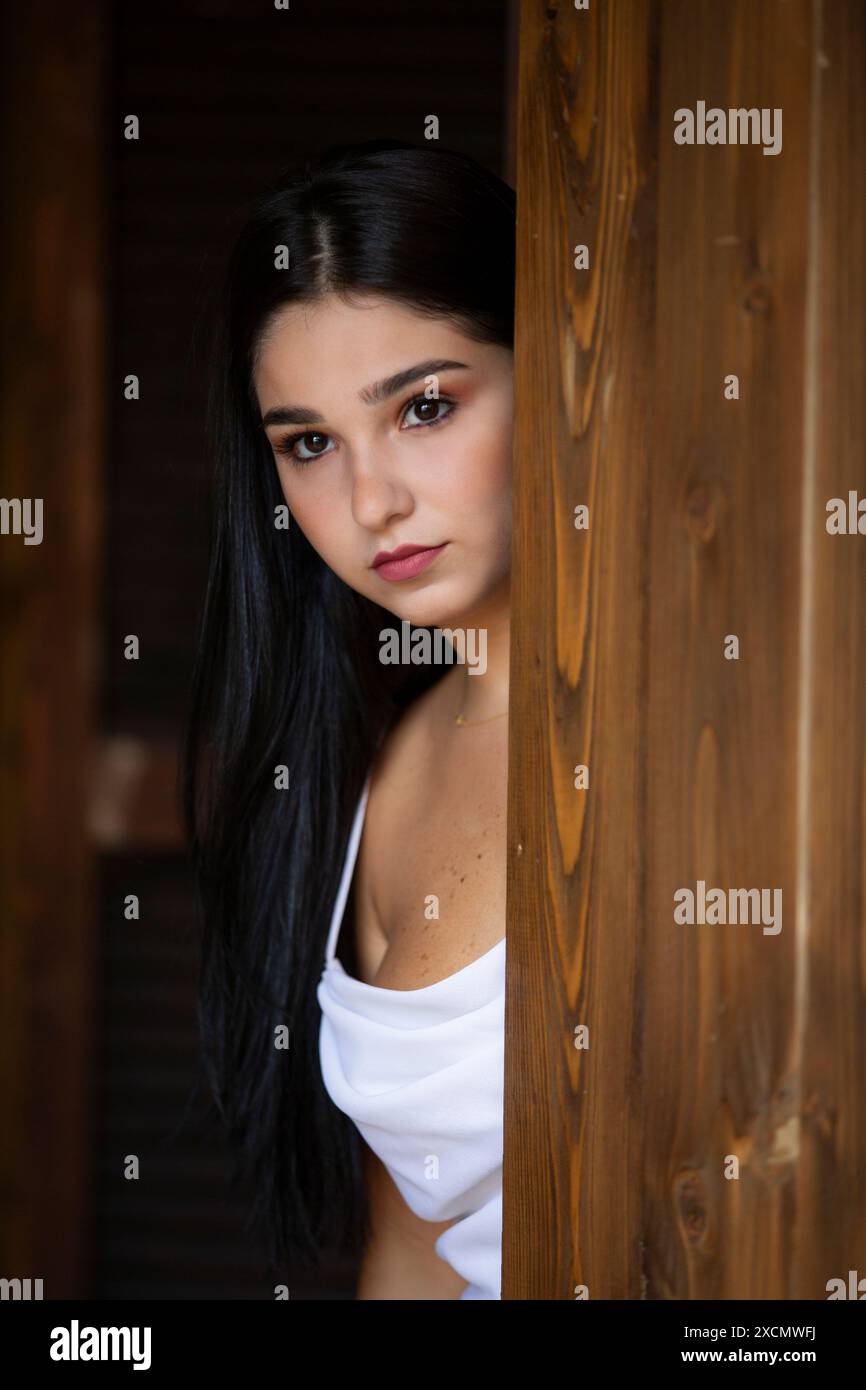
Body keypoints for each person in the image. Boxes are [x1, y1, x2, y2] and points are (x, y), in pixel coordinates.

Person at [182, 138, 514, 1299]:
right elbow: (414, 1252)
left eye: (424, 406)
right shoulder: (366, 777)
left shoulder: (727, 739)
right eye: (309, 443)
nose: (371, 500)